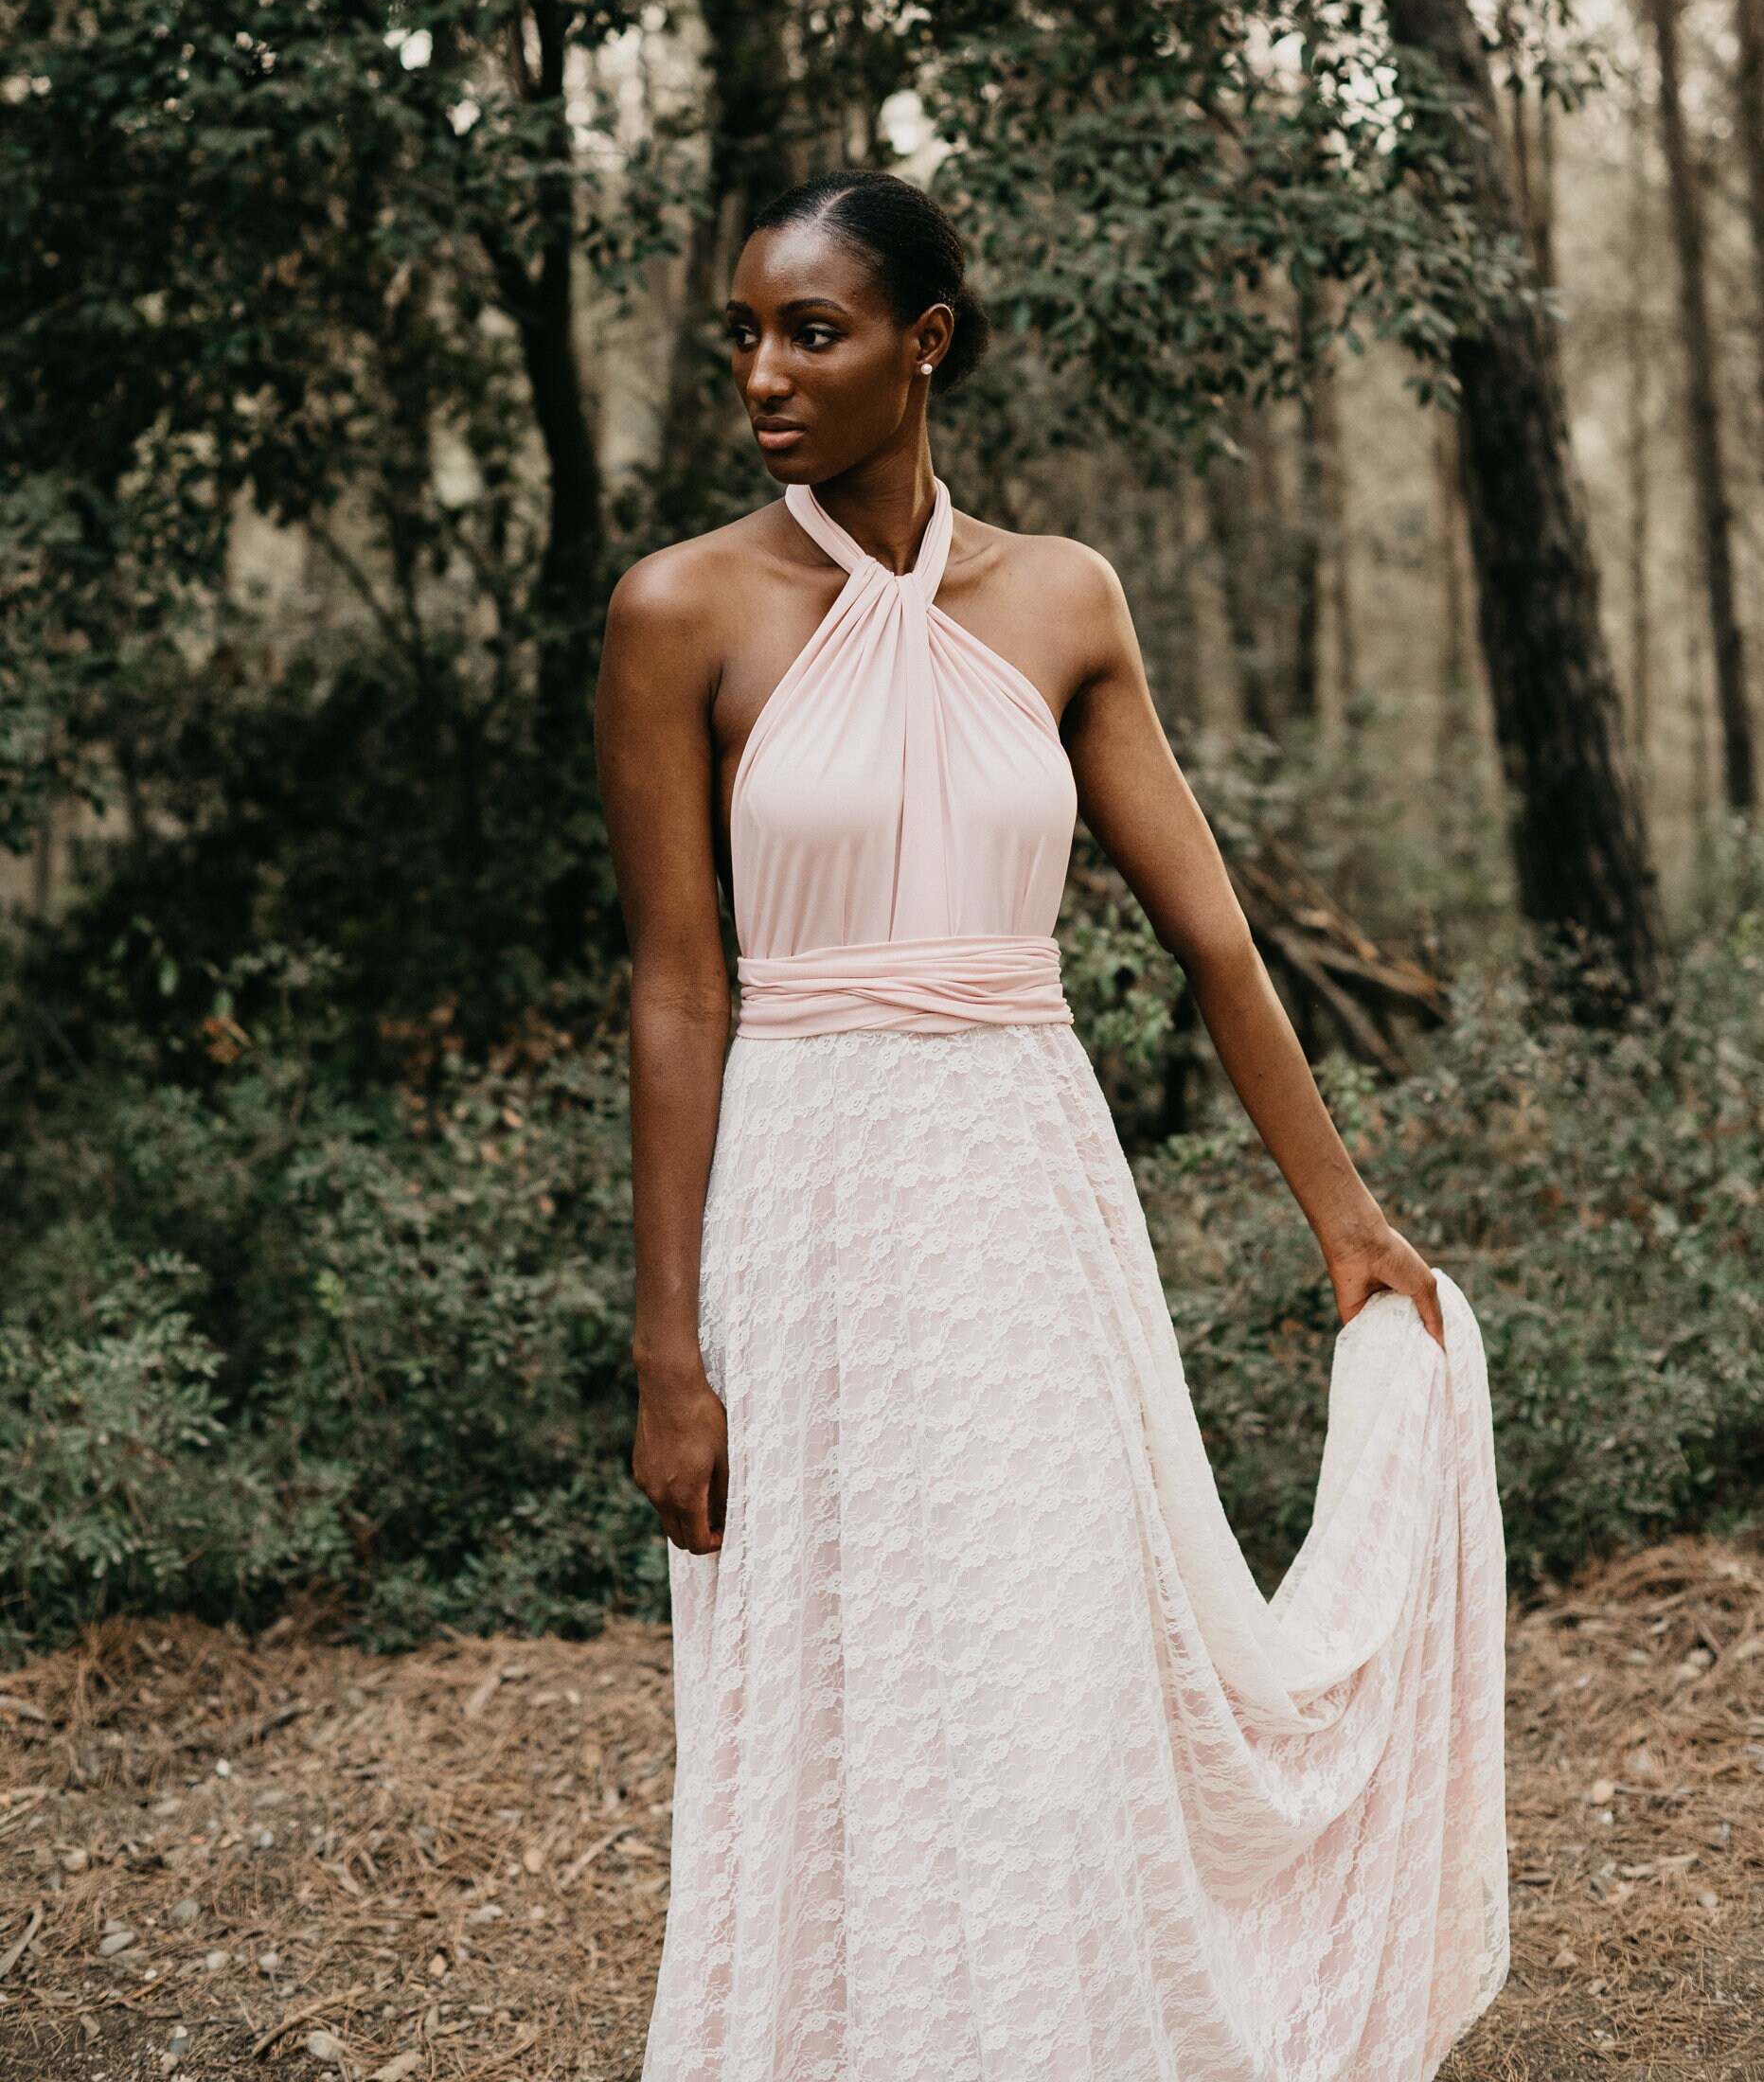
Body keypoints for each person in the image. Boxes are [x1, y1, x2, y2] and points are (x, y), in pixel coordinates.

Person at [596, 169, 1506, 2082]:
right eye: (744, 333)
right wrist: (667, 1347)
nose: (762, 372)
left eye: (811, 331)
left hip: (1021, 1175)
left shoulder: (1059, 594)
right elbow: (678, 988)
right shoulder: (679, 608)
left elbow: (1209, 933)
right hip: (809, 1187)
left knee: (1042, 1643)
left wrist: (1340, 1214)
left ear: (921, 346)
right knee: (837, 1655)